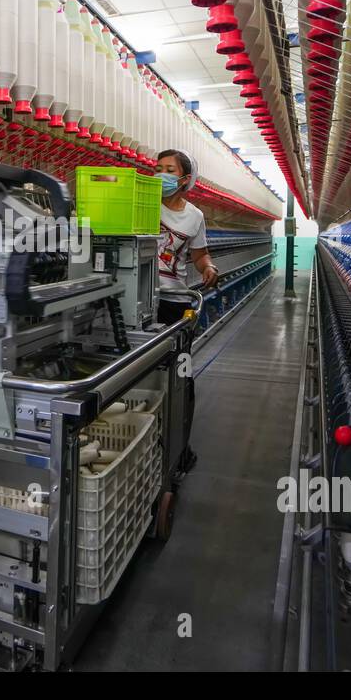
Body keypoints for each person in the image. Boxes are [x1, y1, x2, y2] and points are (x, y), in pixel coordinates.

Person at [153, 149, 217, 474]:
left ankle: (180, 446)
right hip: (142, 298)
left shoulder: (195, 216)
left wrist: (208, 267)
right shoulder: (144, 200)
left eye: (169, 169)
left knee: (181, 374)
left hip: (175, 305)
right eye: (157, 167)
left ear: (183, 179)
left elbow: (200, 256)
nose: (161, 174)